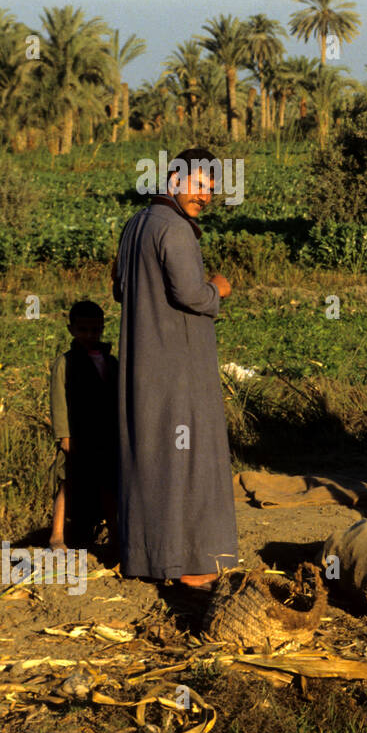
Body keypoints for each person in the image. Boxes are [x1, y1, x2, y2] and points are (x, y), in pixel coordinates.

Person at [113, 147, 237, 588]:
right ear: (174, 180)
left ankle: (144, 558)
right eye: (199, 185)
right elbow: (190, 295)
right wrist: (217, 289)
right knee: (187, 460)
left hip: (141, 367)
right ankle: (190, 564)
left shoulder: (135, 225)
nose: (205, 196)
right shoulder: (177, 230)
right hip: (179, 368)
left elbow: (120, 287)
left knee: (149, 458)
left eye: (211, 189)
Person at [49, 300, 118, 552]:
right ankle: (56, 536)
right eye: (83, 330)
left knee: (108, 483)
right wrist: (64, 435)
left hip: (105, 435)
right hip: (77, 435)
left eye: (95, 330)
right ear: (72, 330)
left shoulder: (110, 362)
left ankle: (115, 533)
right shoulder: (65, 363)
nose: (90, 335)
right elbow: (58, 400)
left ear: (102, 328)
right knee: (67, 481)